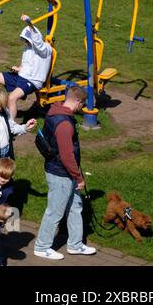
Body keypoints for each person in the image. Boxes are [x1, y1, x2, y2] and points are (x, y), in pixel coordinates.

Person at [33, 84, 97, 259]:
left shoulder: (56, 111)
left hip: (63, 171)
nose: (81, 108)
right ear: (76, 100)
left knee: (75, 207)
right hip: (61, 174)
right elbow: (67, 155)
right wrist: (78, 178)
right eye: (81, 104)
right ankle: (42, 246)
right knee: (55, 211)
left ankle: (75, 244)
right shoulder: (64, 124)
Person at [0, 14, 52, 127]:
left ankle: (10, 126)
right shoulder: (27, 48)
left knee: (12, 98)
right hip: (21, 75)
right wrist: (18, 68)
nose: (25, 42)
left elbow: (37, 41)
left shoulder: (44, 49)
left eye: (27, 39)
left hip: (32, 80)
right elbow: (25, 64)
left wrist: (29, 23)